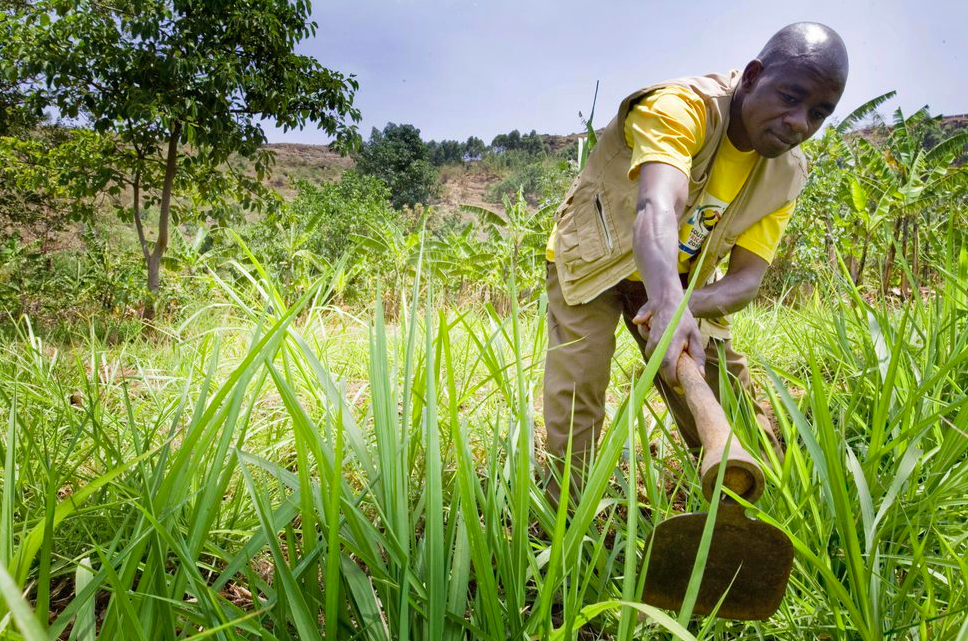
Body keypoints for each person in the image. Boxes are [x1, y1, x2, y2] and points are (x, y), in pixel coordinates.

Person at [542, 22, 848, 506]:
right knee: (577, 391)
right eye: (790, 98)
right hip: (594, 258)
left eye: (818, 113)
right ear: (753, 76)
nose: (799, 123)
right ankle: (565, 516)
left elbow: (746, 279)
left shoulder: (787, 175)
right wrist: (667, 302)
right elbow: (656, 206)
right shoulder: (680, 107)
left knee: (724, 390)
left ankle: (760, 504)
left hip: (681, 278)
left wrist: (682, 305)